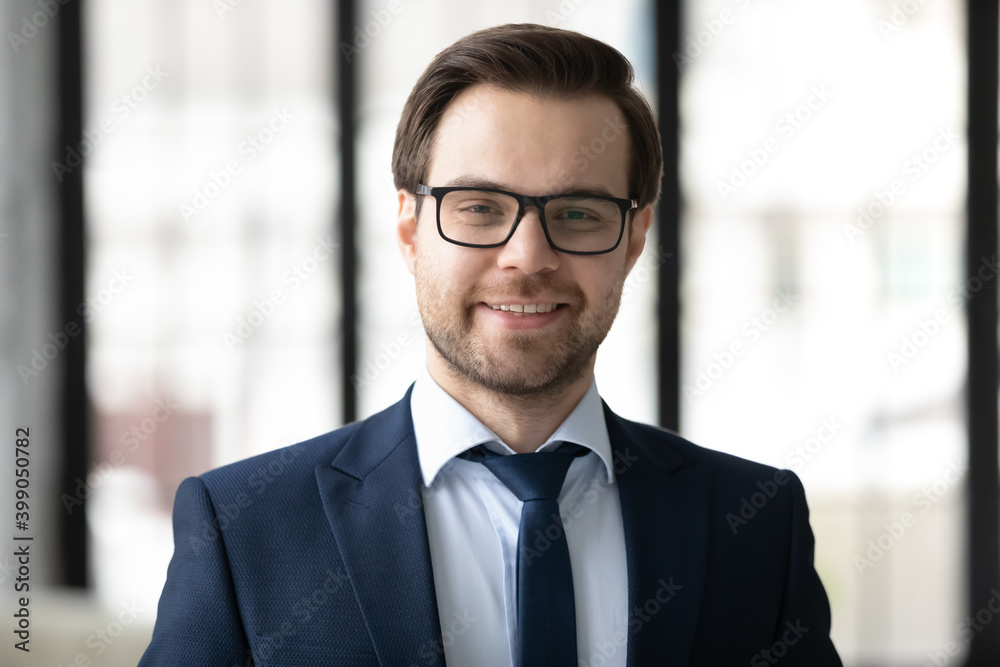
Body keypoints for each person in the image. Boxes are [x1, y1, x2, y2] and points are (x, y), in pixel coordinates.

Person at [140, 23, 842, 667]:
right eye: (480, 208)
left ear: (633, 239)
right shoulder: (245, 528)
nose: (527, 256)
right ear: (410, 227)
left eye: (577, 212)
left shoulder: (755, 522)